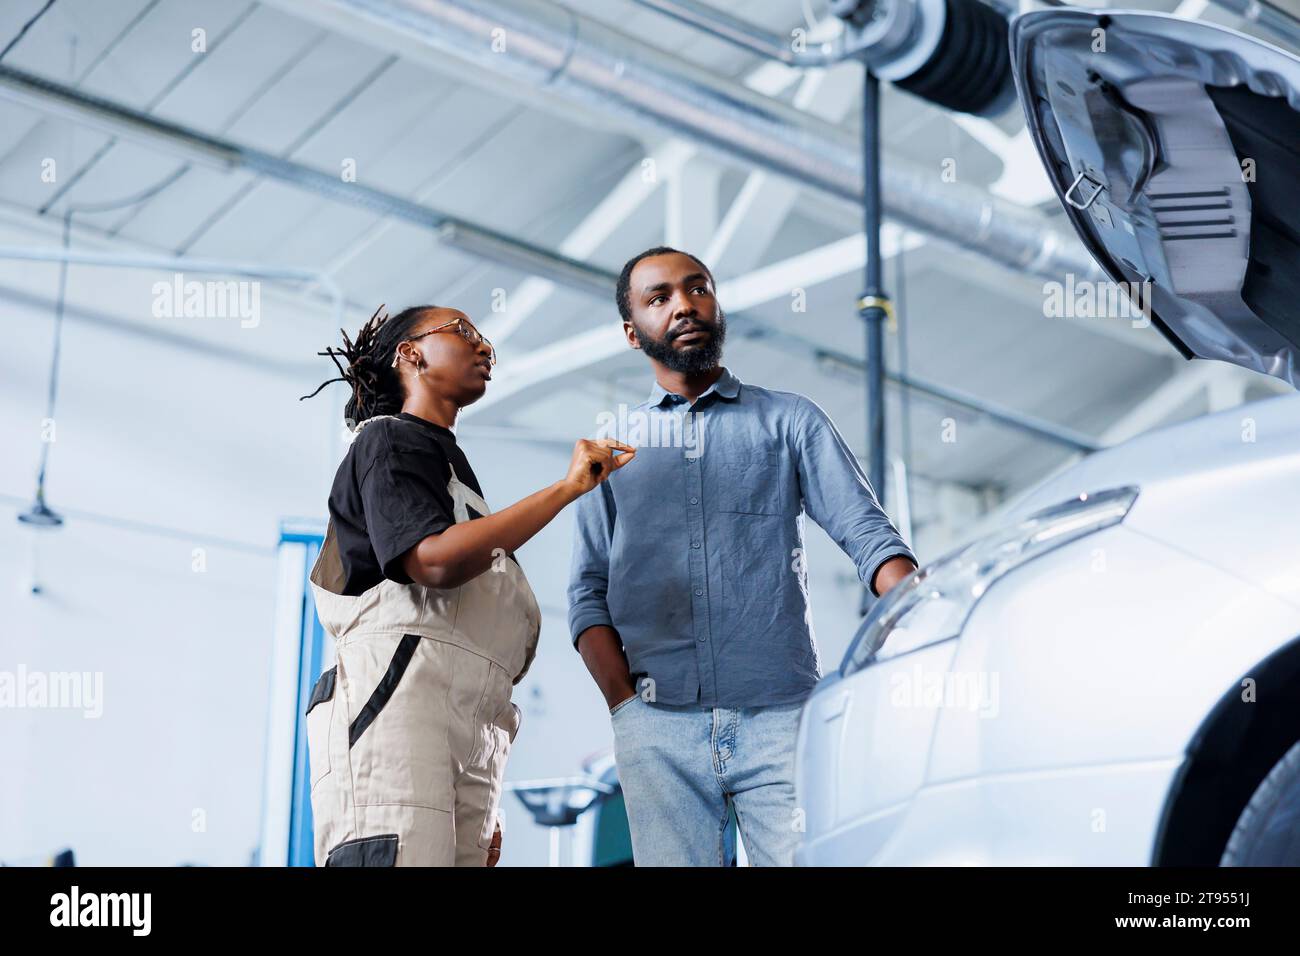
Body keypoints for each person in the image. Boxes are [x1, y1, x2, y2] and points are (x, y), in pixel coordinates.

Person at [567, 247, 918, 866]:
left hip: (782, 720)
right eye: (659, 297)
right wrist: (625, 708)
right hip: (658, 724)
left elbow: (869, 535)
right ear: (632, 332)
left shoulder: (791, 421)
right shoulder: (611, 450)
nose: (684, 305)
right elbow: (587, 592)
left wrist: (923, 615)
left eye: (697, 288)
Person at [300, 304, 632, 866]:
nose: (485, 349)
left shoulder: (452, 471)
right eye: (464, 334)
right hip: (398, 704)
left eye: (487, 342)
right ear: (411, 354)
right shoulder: (385, 441)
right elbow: (431, 562)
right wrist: (566, 488)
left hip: (471, 722)